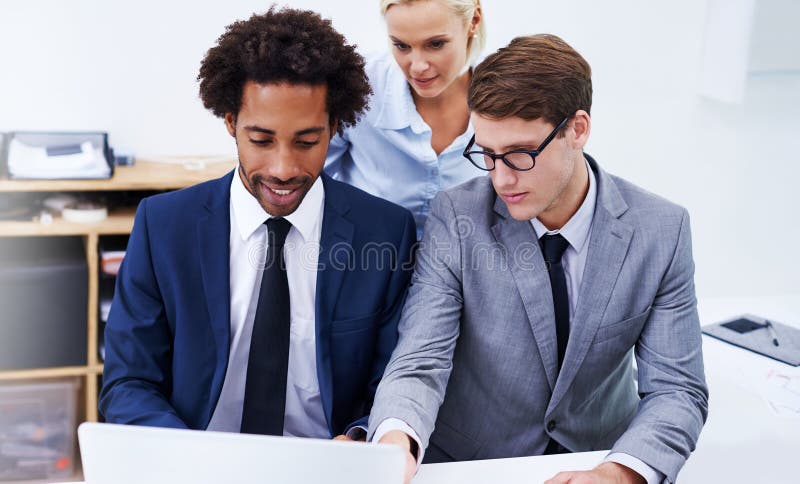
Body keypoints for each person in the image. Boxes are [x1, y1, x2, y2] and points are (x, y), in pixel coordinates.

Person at [369, 34, 709, 484]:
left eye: (520, 154)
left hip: (599, 458)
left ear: (578, 129)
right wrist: (396, 441)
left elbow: (676, 390)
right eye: (487, 155)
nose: (502, 178)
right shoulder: (456, 216)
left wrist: (620, 472)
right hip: (475, 463)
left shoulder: (661, 231)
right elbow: (420, 359)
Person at [99, 7, 416, 442]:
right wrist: (188, 458)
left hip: (327, 466)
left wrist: (362, 435)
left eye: (307, 141)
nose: (283, 168)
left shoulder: (386, 233)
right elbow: (128, 384)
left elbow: (393, 382)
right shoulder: (164, 227)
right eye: (261, 140)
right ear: (230, 122)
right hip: (196, 462)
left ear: (334, 127)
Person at [325, 0, 486, 238]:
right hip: (366, 259)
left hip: (471, 265)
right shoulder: (359, 86)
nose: (418, 66)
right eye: (401, 46)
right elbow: (313, 181)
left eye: (435, 44)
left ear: (473, 20)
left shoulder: (508, 97)